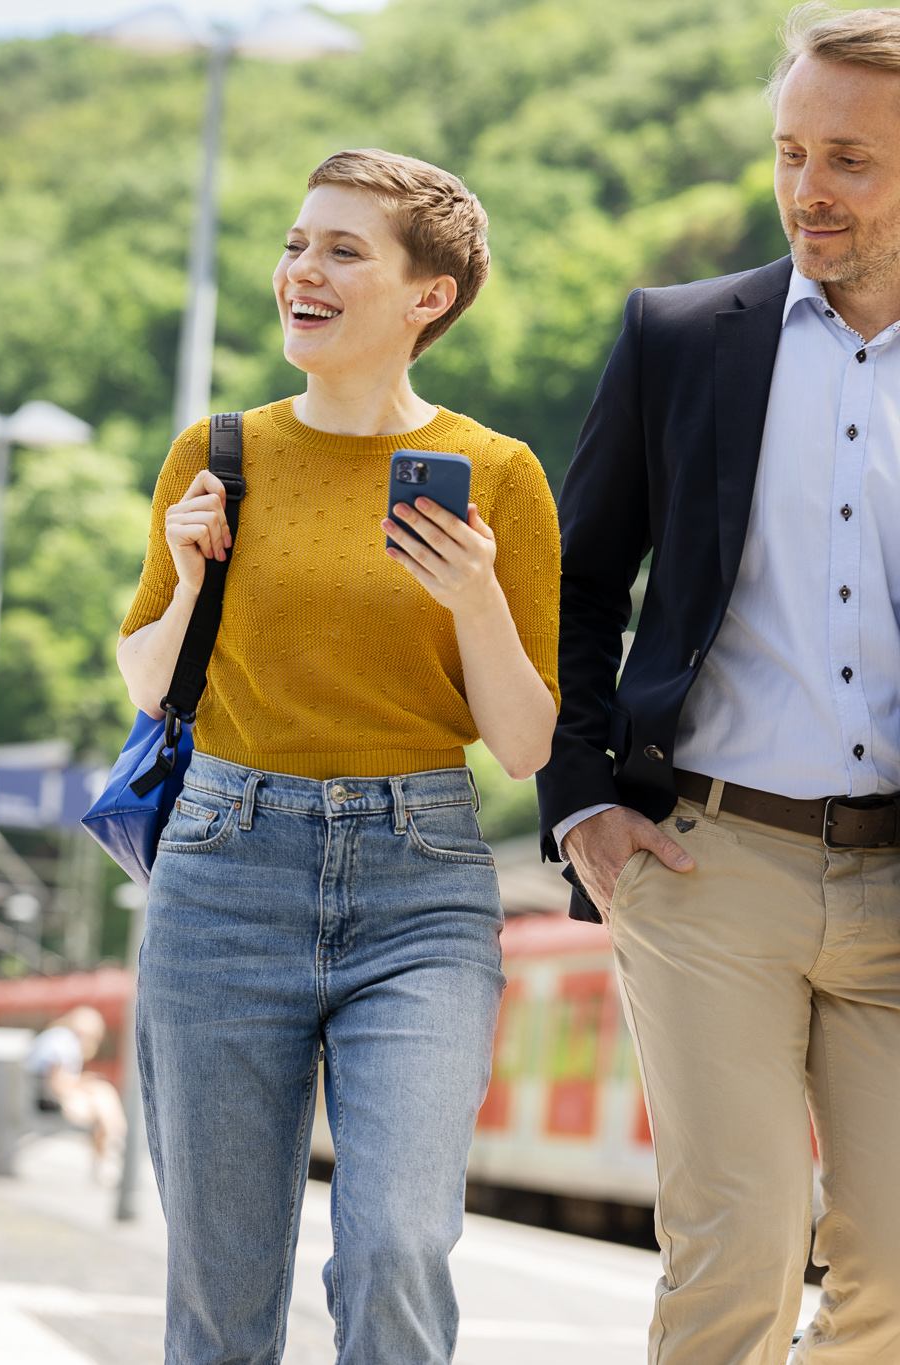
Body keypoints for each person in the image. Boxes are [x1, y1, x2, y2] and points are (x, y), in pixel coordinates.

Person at [117, 149, 559, 1362]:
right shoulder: (215, 451)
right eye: (295, 244)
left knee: (395, 1248)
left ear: (429, 296)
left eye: (342, 251)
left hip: (419, 886)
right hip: (223, 867)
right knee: (219, 1291)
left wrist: (473, 595)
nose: (300, 270)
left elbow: (523, 742)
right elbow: (150, 682)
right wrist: (188, 575)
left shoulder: (499, 477)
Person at [539, 8, 900, 1359]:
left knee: (896, 1279)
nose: (809, 189)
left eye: (850, 160)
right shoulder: (682, 337)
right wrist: (579, 802)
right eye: (790, 153)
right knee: (736, 1252)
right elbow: (577, 583)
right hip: (707, 861)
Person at [24, 1006, 125, 1178]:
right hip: (47, 1101)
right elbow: (57, 1084)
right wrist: (84, 1083)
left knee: (101, 1095)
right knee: (101, 1096)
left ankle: (110, 1145)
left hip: (40, 1095)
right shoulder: (63, 1040)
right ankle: (112, 1142)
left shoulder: (58, 1037)